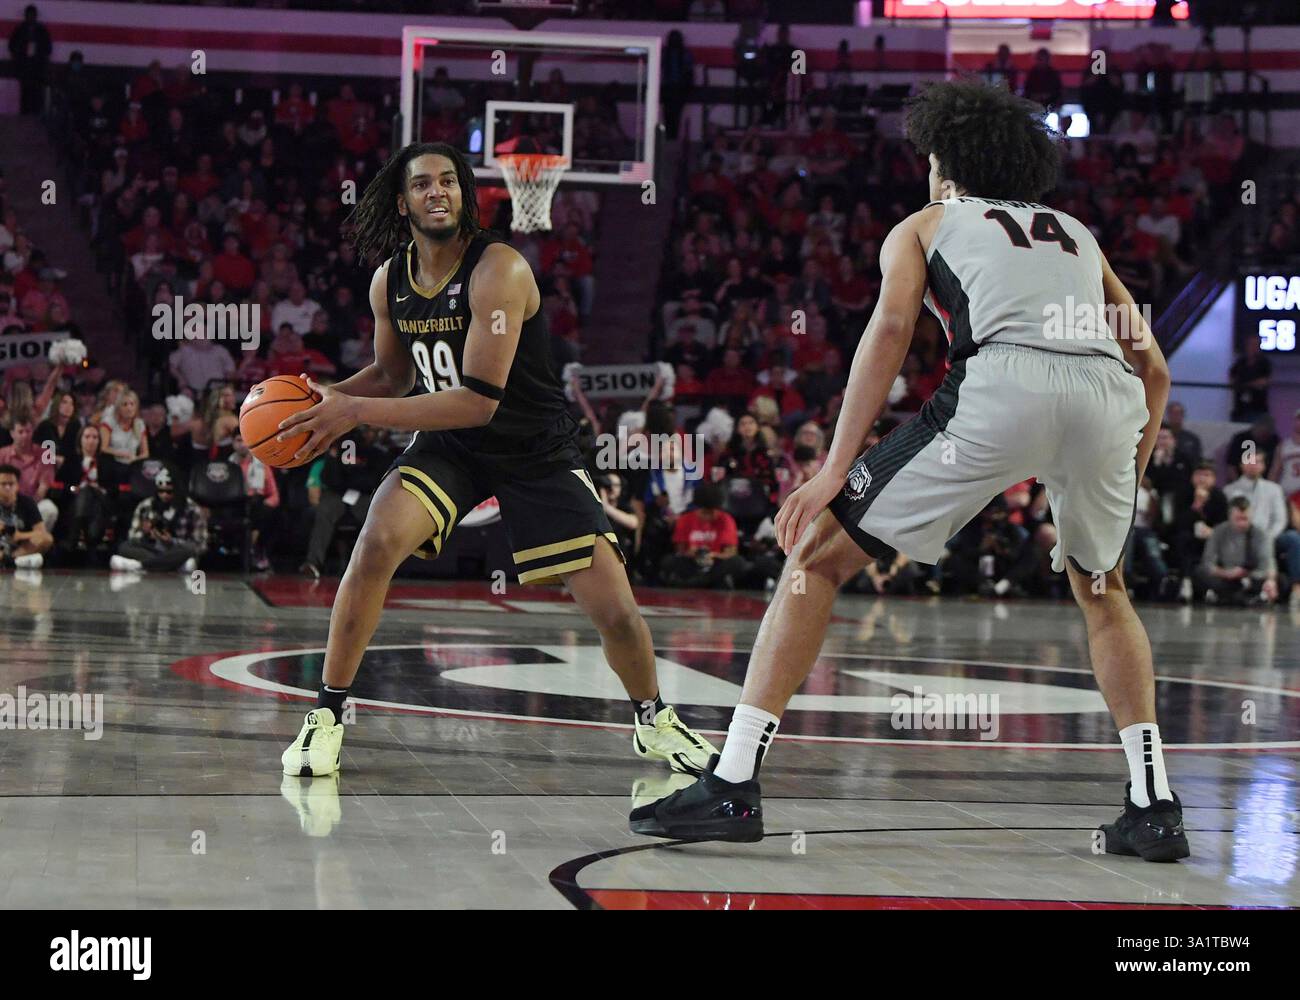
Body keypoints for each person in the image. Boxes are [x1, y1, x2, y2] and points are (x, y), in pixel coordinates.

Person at [631, 79, 1189, 863]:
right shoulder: (1076, 232)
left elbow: (891, 330)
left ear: (945, 163)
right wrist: (1131, 460)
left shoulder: (926, 224)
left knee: (816, 558)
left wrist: (834, 467)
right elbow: (1154, 368)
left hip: (1002, 384)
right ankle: (1154, 804)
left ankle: (732, 783)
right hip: (1107, 398)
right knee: (1104, 592)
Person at [277, 142, 716, 779]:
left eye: (449, 182)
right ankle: (326, 716)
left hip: (534, 446)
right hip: (450, 447)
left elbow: (479, 401)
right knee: (374, 542)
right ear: (402, 203)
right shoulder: (390, 281)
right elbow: (395, 376)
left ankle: (653, 720)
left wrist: (355, 413)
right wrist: (328, 399)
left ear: (465, 195)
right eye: (422, 184)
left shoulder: (499, 269)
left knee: (615, 608)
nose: (437, 192)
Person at [110, 468, 207, 573]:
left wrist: (172, 541)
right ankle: (175, 565)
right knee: (124, 546)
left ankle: (139, 565)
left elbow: (201, 545)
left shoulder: (193, 509)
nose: (164, 495)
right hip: (152, 548)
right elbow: (133, 536)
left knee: (189, 550)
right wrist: (145, 533)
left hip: (176, 549)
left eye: (169, 491)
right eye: (161, 491)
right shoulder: (146, 506)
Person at [1193, 497, 1278, 606]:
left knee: (1281, 581)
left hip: (1253, 576)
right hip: (1225, 576)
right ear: (1230, 516)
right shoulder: (1219, 531)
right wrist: (1227, 573)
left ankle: (1237, 595)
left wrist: (1270, 580)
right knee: (1199, 572)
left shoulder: (1261, 534)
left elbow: (1268, 562)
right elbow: (1208, 563)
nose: (1242, 524)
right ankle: (1242, 595)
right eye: (1238, 519)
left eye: (1245, 519)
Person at [0, 462, 53, 568]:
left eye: (11, 484)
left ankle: (11, 560)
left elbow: (41, 533)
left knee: (47, 539)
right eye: (3, 484)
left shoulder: (27, 502)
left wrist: (19, 535)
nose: (7, 488)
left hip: (19, 546)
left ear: (17, 486)